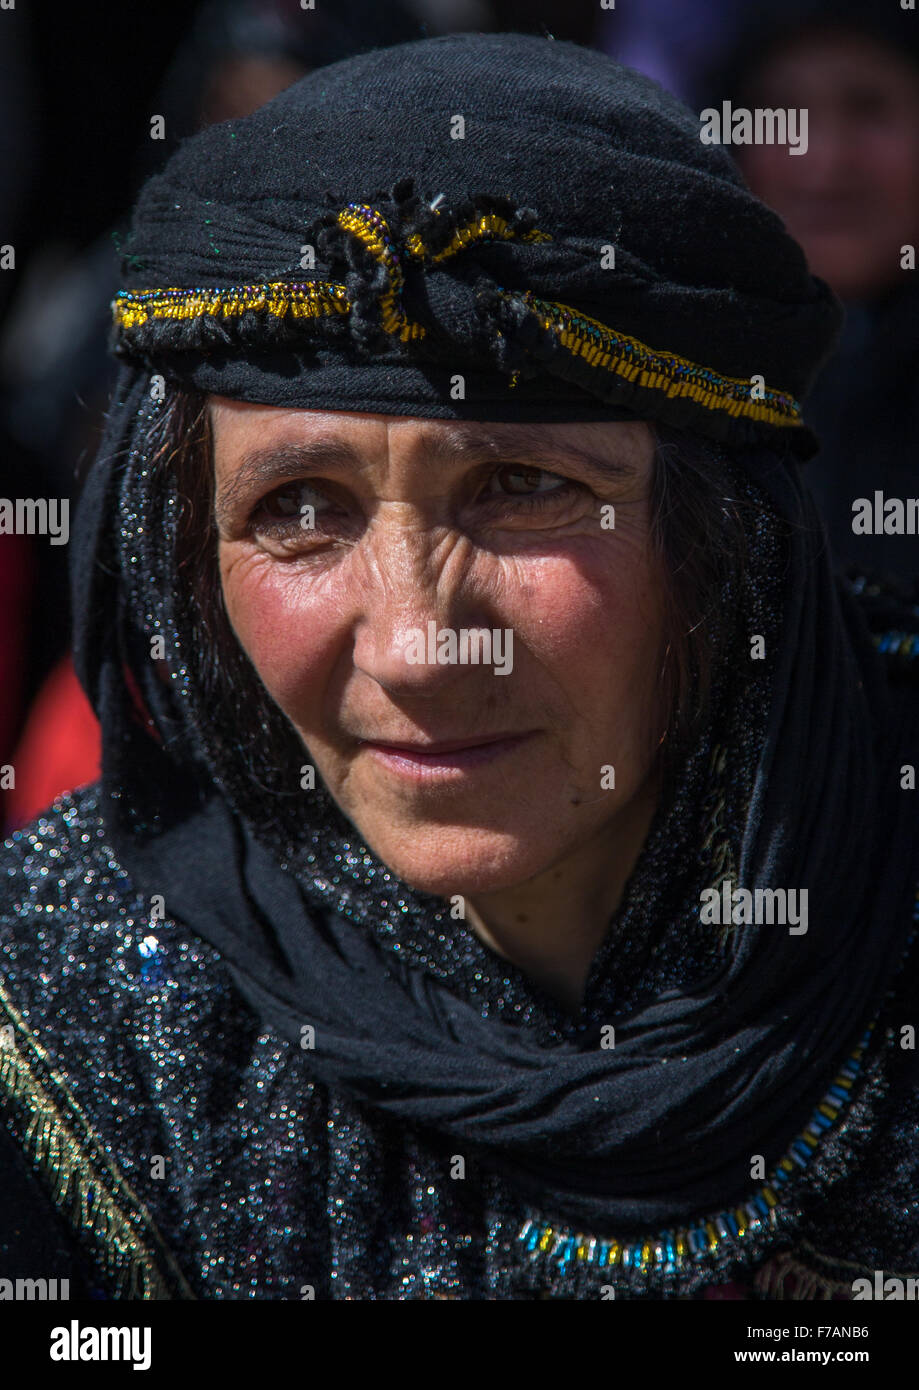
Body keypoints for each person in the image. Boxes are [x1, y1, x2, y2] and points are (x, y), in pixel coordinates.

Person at [1, 31, 918, 1302]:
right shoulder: (75, 990)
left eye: (525, 488)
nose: (421, 649)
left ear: (719, 535)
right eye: (299, 510)